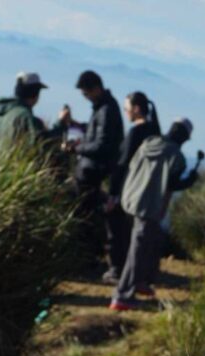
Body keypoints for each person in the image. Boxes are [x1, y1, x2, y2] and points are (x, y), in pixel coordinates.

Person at [110, 117, 200, 311]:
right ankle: (122, 295)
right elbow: (174, 184)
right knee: (139, 249)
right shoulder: (175, 155)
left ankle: (140, 281)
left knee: (149, 241)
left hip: (130, 199)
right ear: (184, 136)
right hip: (148, 206)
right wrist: (191, 179)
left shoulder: (148, 143)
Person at [102, 91, 161, 284]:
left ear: (136, 109)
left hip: (127, 190)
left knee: (117, 231)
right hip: (146, 193)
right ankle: (137, 274)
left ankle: (117, 270)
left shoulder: (135, 132)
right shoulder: (154, 131)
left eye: (127, 108)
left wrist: (113, 193)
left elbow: (122, 163)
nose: (126, 112)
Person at [68, 70, 123, 263]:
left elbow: (102, 144)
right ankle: (89, 254)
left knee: (86, 214)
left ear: (96, 89)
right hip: (92, 169)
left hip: (92, 170)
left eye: (86, 93)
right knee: (87, 213)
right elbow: (97, 134)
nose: (85, 97)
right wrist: (76, 126)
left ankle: (88, 256)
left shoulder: (106, 109)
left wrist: (78, 148)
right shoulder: (103, 107)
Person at [0, 72, 67, 153]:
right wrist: (61, 123)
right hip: (17, 165)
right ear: (34, 93)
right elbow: (43, 144)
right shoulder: (26, 117)